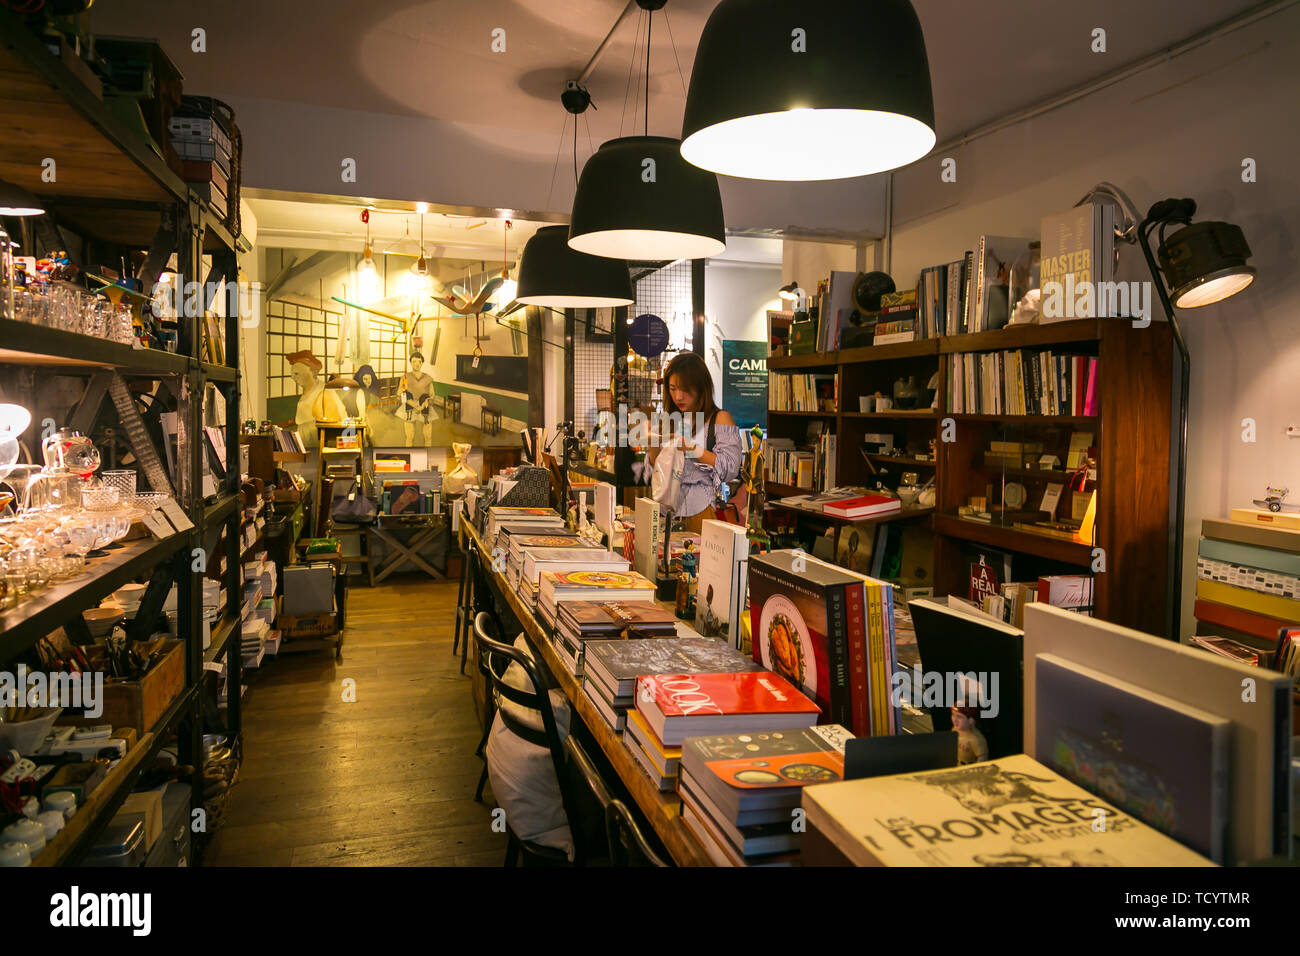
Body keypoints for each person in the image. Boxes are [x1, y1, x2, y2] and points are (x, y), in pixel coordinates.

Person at [647, 352, 741, 533]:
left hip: (703, 509)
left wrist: (691, 448)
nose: (678, 396)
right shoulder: (671, 419)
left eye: (685, 389)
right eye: (673, 388)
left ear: (700, 387)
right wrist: (652, 443)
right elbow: (657, 467)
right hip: (668, 510)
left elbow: (730, 468)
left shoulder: (720, 418)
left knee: (700, 561)